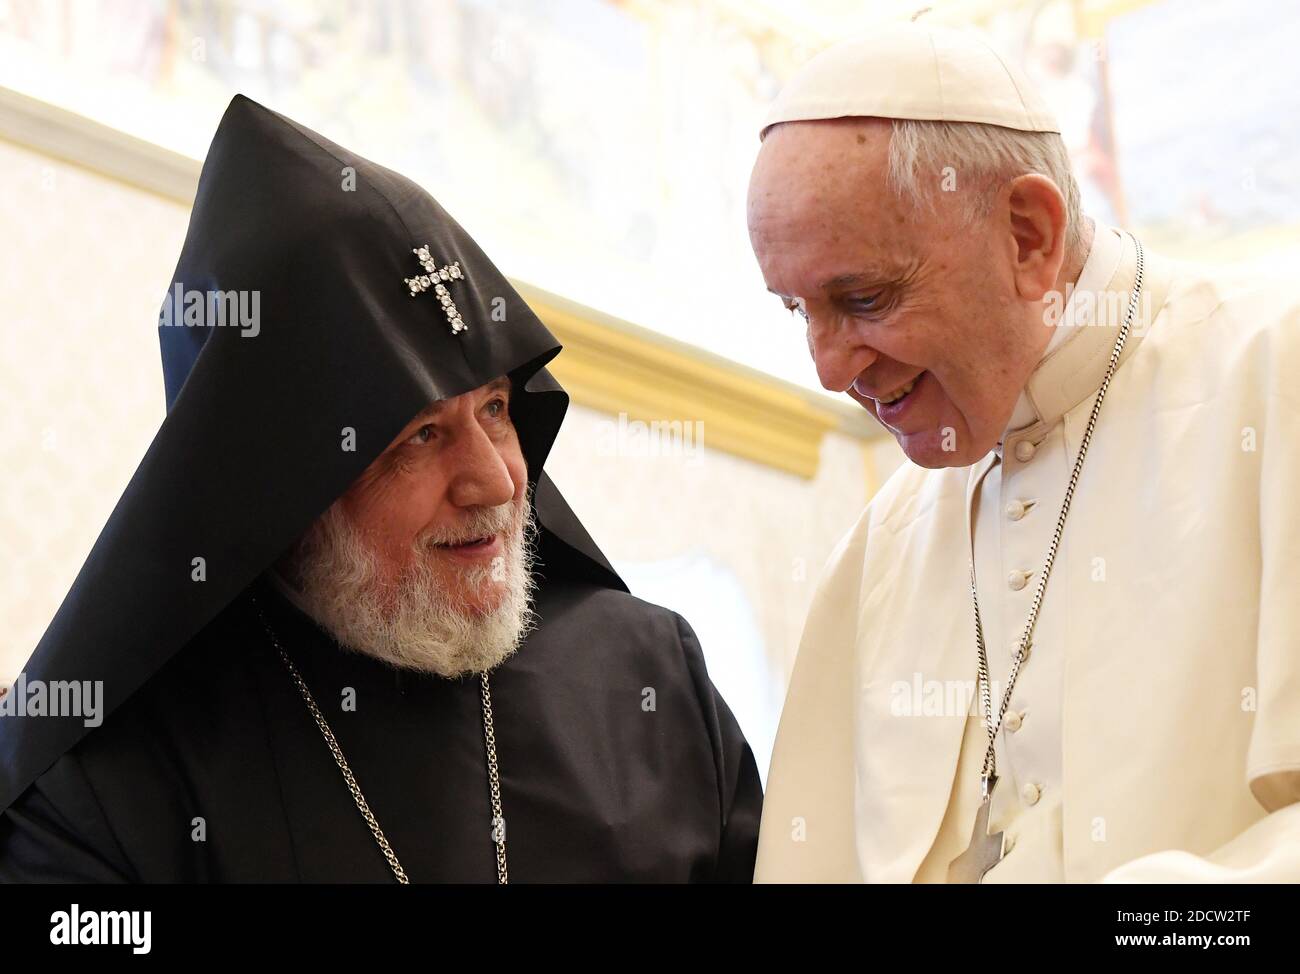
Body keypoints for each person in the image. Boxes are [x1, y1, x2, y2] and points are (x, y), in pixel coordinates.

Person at [0, 95, 761, 883]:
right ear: (280, 489)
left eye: (495, 409)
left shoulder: (653, 678)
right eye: (419, 437)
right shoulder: (111, 784)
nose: (497, 481)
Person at [748, 24, 1300, 882]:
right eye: (797, 310)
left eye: (862, 298)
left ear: (1029, 235)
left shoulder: (1276, 372)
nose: (827, 369)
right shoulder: (884, 542)